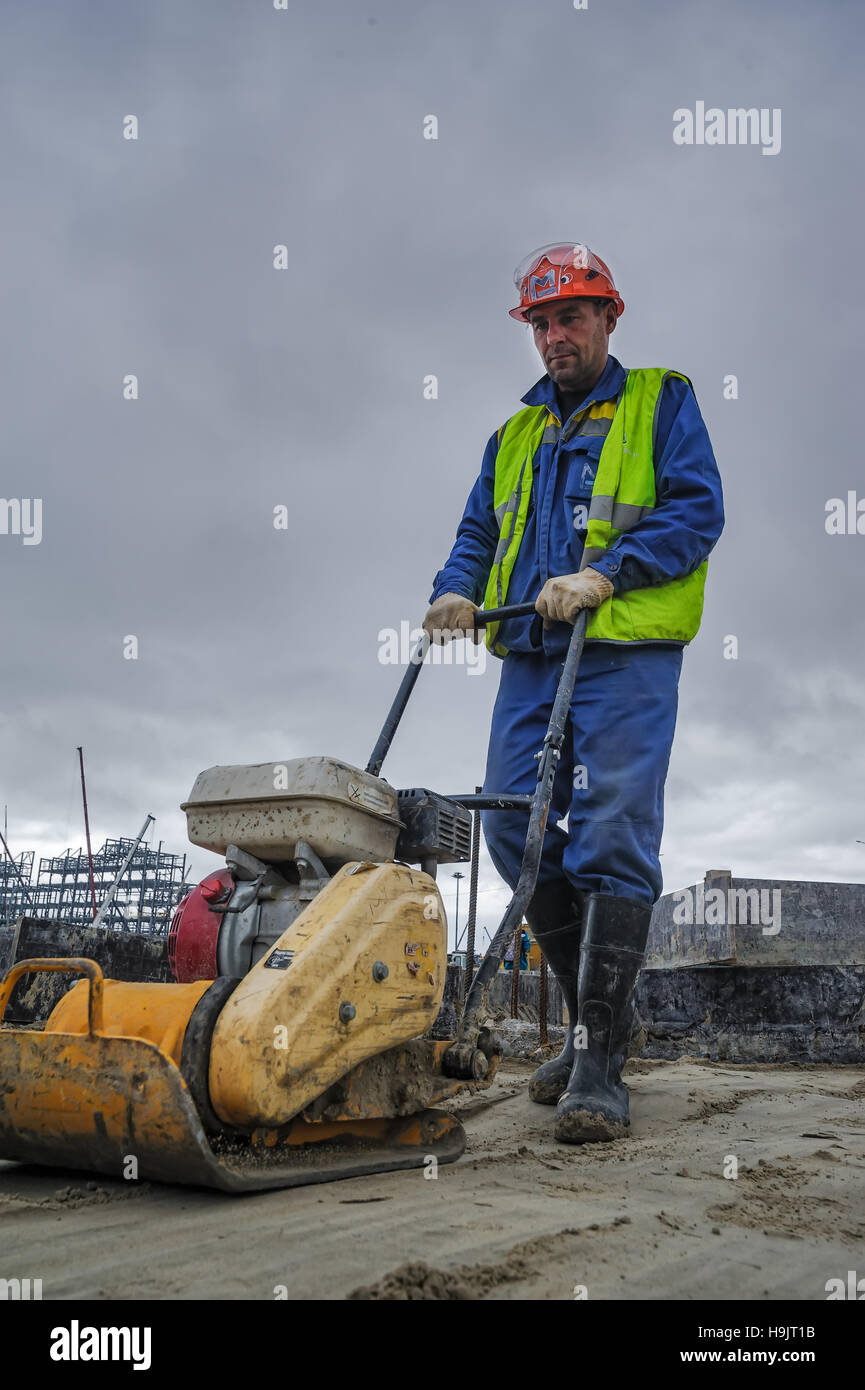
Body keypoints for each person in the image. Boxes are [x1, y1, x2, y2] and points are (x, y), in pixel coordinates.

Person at [423, 243, 724, 1143]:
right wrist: (453, 585)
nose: (557, 335)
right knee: (512, 821)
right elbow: (479, 527)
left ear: (608, 317)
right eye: (543, 322)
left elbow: (696, 509)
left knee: (612, 831)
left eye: (573, 317)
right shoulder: (511, 435)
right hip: (529, 649)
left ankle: (598, 1058)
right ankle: (602, 1020)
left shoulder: (661, 399)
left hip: (624, 647)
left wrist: (607, 572)